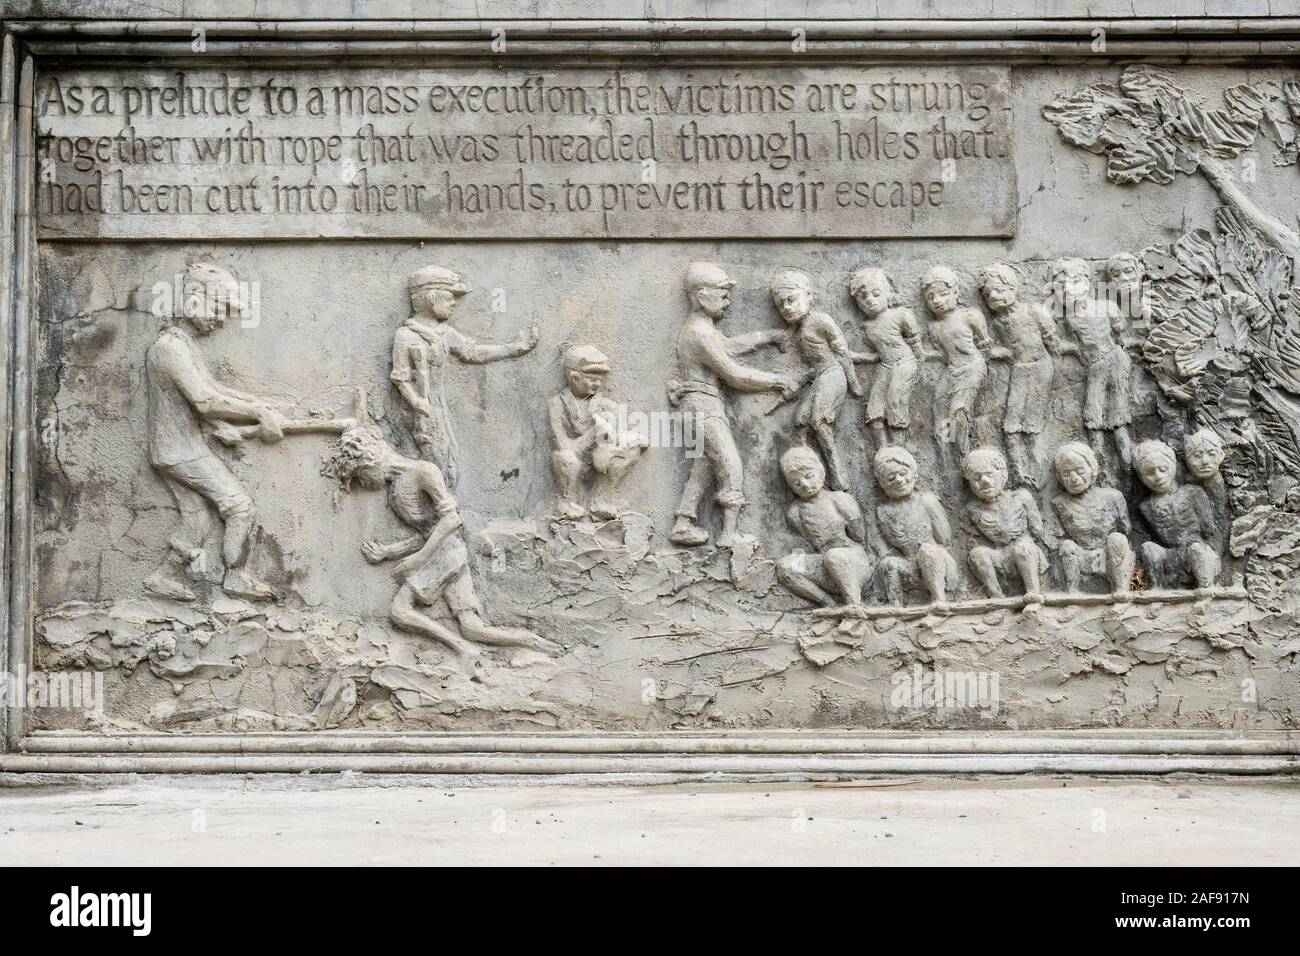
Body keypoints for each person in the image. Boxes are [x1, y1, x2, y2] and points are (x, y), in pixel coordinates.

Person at [325, 421, 556, 663]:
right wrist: (388, 551)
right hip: (447, 551)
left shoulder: (424, 471)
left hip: (446, 553)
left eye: (359, 476)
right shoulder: (397, 486)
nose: (363, 483)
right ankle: (534, 643)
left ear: (369, 460)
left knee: (400, 611)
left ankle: (462, 649)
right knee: (472, 628)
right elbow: (426, 530)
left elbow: (452, 519)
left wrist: (419, 558)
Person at [144, 262, 286, 602]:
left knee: (198, 518)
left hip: (176, 447)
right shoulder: (169, 348)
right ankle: (235, 577)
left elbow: (208, 392)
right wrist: (256, 411)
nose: (221, 319)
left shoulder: (184, 345)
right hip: (180, 450)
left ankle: (163, 577)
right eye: (218, 308)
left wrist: (255, 406)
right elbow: (205, 400)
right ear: (195, 299)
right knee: (238, 506)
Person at [668, 261, 801, 548]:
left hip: (698, 406)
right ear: (702, 296)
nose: (728, 303)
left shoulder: (703, 329)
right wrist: (778, 380)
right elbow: (734, 374)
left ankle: (683, 521)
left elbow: (728, 347)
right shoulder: (700, 333)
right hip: (702, 407)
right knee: (730, 465)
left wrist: (767, 337)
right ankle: (729, 533)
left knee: (703, 466)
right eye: (723, 295)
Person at [391, 265, 539, 487]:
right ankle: (442, 511)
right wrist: (420, 405)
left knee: (448, 461)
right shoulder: (405, 335)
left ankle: (445, 510)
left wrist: (516, 347)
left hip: (437, 409)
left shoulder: (444, 333)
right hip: (419, 414)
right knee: (435, 463)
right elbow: (400, 378)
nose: (454, 303)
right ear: (432, 298)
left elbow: (473, 352)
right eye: (450, 297)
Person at [976, 262, 1070, 486]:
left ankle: (1037, 470)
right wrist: (999, 353)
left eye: (999, 290)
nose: (994, 297)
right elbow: (999, 347)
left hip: (1039, 368)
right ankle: (1017, 470)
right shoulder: (997, 321)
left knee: (1032, 423)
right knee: (1011, 423)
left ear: (1014, 288)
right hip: (1018, 371)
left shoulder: (1034, 310)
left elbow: (1052, 341)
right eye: (989, 295)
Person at [770, 269, 860, 490]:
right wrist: (800, 381)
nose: (787, 308)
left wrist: (853, 382)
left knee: (819, 421)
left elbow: (842, 352)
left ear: (809, 296)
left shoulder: (821, 320)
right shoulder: (799, 330)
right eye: (781, 305)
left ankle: (838, 476)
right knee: (800, 421)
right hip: (820, 375)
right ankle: (808, 476)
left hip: (834, 373)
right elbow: (815, 365)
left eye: (791, 300)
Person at [1050, 257, 1134, 472]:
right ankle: (1099, 464)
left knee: (1118, 414)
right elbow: (1069, 343)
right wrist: (1071, 350)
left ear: (1087, 283)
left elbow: (1121, 331)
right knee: (1093, 412)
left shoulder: (1106, 306)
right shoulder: (1064, 318)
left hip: (1115, 359)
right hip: (1095, 367)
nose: (1069, 290)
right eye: (1062, 286)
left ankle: (1126, 463)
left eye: (1076, 282)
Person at [548, 344, 648, 520]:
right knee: (566, 459)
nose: (598, 383)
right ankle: (568, 502)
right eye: (592, 378)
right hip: (573, 464)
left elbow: (620, 437)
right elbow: (565, 446)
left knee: (630, 450)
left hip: (599, 464)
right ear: (574, 377)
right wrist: (595, 432)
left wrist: (628, 441)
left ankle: (602, 498)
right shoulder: (557, 404)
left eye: (601, 379)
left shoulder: (608, 406)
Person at [775, 447, 873, 606]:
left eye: (808, 476)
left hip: (854, 561)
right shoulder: (795, 512)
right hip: (824, 562)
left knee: (834, 556)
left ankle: (854, 605)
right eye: (797, 483)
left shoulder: (840, 500)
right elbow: (811, 545)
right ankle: (829, 603)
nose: (805, 485)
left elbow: (859, 536)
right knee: (785, 567)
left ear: (821, 471)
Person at [872, 446, 959, 606]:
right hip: (910, 566)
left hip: (938, 564)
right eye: (891, 477)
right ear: (882, 484)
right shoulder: (883, 511)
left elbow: (944, 538)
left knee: (928, 551)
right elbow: (883, 546)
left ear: (914, 474)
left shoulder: (927, 501)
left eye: (903, 473)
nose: (898, 479)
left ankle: (939, 600)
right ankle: (895, 607)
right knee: (889, 563)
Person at [922, 266, 995, 457]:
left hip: (972, 368)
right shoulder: (934, 326)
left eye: (943, 294)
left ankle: (964, 453)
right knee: (939, 408)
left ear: (956, 292)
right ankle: (947, 450)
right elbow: (942, 354)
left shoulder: (970, 316)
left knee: (958, 409)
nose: (937, 300)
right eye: (931, 297)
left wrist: (983, 371)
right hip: (952, 371)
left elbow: (985, 344)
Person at [848, 267, 922, 455]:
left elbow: (916, 346)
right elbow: (876, 356)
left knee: (896, 404)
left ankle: (900, 451)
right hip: (886, 365)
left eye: (875, 294)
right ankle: (883, 451)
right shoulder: (867, 326)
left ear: (888, 293)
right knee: (875, 408)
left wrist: (919, 366)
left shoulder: (902, 315)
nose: (870, 300)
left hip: (905, 363)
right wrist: (853, 356)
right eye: (863, 298)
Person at [1134, 439, 1223, 591]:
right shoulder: (1146, 506)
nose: (1158, 476)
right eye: (1150, 472)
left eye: (1163, 469)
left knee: (1195, 549)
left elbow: (1209, 530)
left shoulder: (1193, 492)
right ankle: (1156, 590)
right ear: (1141, 477)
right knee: (1148, 547)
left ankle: (1206, 588)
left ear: (1173, 467)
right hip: (1172, 555)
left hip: (1200, 552)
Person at [962, 446, 1048, 601]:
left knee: (1024, 549)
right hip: (1000, 555)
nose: (985, 482)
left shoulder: (1021, 498)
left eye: (989, 474)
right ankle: (996, 598)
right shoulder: (973, 509)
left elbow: (1038, 530)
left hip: (1025, 552)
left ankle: (1033, 594)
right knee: (978, 554)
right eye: (977, 478)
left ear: (1003, 474)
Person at [1048, 442, 1134, 594]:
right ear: (1059, 477)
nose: (1073, 478)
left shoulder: (1113, 497)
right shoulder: (1059, 504)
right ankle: (1072, 593)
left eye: (1079, 470)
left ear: (1092, 469)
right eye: (1066, 474)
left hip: (1110, 555)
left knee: (1117, 539)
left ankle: (1121, 591)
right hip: (1082, 557)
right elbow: (1056, 538)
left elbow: (1125, 529)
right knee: (1067, 546)